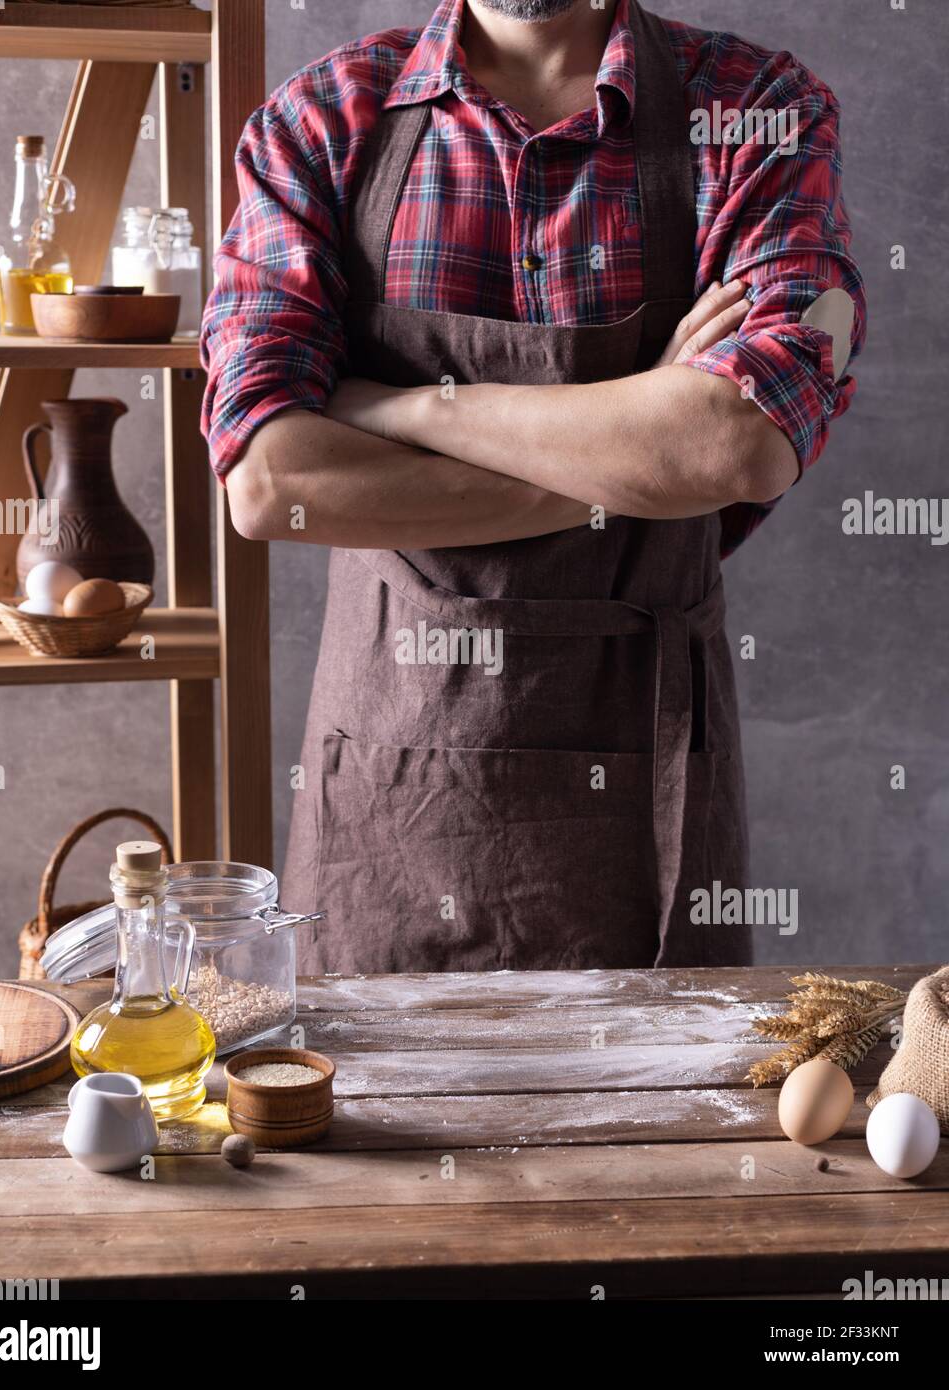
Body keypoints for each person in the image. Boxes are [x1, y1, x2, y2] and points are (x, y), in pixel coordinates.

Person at [200, 0, 865, 973]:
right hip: (390, 794)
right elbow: (269, 480)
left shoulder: (755, 109)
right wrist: (636, 440)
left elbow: (739, 442)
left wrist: (403, 409)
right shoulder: (322, 120)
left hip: (643, 791)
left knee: (670, 1119)